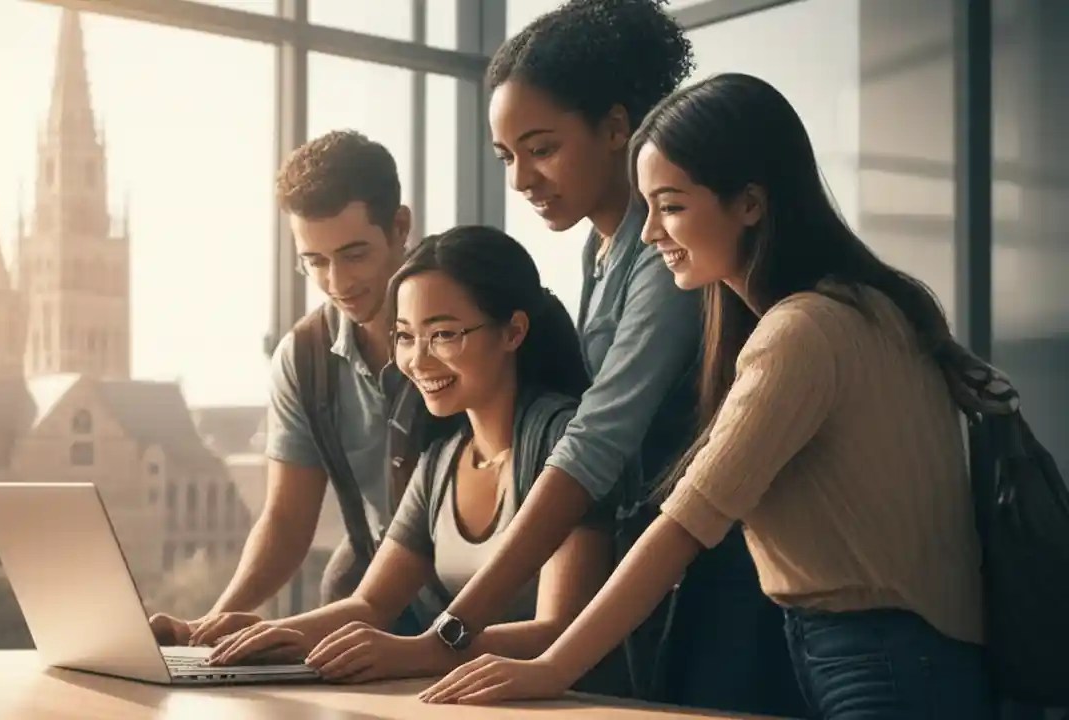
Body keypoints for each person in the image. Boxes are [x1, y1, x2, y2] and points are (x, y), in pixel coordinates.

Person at [421, 72, 996, 719]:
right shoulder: (876, 306)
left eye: (669, 206)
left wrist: (552, 666)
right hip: (904, 651)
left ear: (749, 203)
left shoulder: (802, 331)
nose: (648, 235)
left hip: (879, 662)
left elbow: (685, 523)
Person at [422, 0, 801, 712]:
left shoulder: (670, 263)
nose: (520, 180)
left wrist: (449, 631)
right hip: (664, 572)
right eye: (506, 157)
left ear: (617, 129)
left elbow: (597, 443)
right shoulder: (604, 253)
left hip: (730, 573)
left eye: (541, 148)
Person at [202, 226, 620, 688]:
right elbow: (370, 605)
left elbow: (557, 631)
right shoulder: (441, 460)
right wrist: (259, 634)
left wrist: (419, 651)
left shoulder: (562, 442)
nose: (418, 360)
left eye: (442, 334)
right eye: (404, 336)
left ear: (513, 331)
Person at [150, 130, 417, 646]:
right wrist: (208, 627)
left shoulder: (467, 326)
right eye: (314, 260)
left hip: (483, 587)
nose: (337, 281)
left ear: (399, 227)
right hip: (375, 592)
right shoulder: (304, 357)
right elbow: (287, 520)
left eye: (354, 254)